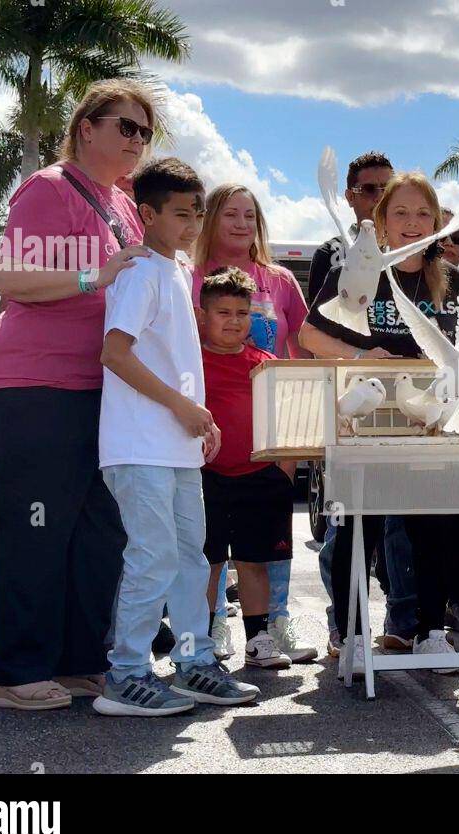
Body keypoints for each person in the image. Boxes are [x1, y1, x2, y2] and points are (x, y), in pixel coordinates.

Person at [0, 79, 154, 710]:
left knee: (98, 529)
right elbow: (10, 278)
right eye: (126, 127)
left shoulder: (124, 203)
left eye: (145, 132)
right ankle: (14, 672)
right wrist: (94, 275)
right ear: (87, 127)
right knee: (38, 525)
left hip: (100, 385)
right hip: (36, 382)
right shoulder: (50, 189)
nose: (137, 141)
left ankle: (82, 660)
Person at [93, 157, 259, 716]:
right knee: (154, 556)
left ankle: (192, 662)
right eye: (182, 214)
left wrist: (200, 418)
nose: (192, 225)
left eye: (197, 213)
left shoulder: (175, 271)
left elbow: (174, 361)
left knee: (192, 556)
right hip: (138, 446)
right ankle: (127, 674)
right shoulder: (142, 273)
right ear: (148, 214)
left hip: (176, 445)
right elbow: (114, 354)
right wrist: (186, 408)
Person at [300, 170, 459, 675]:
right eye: (401, 213)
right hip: (366, 424)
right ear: (380, 220)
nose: (413, 224)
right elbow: (311, 336)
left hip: (428, 429)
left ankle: (429, 633)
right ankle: (353, 636)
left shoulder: (451, 281)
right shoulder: (359, 270)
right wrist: (361, 353)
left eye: (423, 214)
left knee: (434, 529)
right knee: (359, 528)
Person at [192, 183, 311, 663]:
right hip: (208, 463)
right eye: (230, 214)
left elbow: (302, 352)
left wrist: (291, 450)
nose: (242, 224)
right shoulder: (190, 275)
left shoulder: (280, 279)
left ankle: (270, 629)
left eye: (250, 215)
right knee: (208, 557)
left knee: (263, 553)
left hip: (263, 451)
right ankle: (208, 631)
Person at [306, 151, 394, 302]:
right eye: (369, 189)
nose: (380, 197)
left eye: (388, 189)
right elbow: (317, 321)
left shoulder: (415, 252)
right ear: (350, 197)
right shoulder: (329, 253)